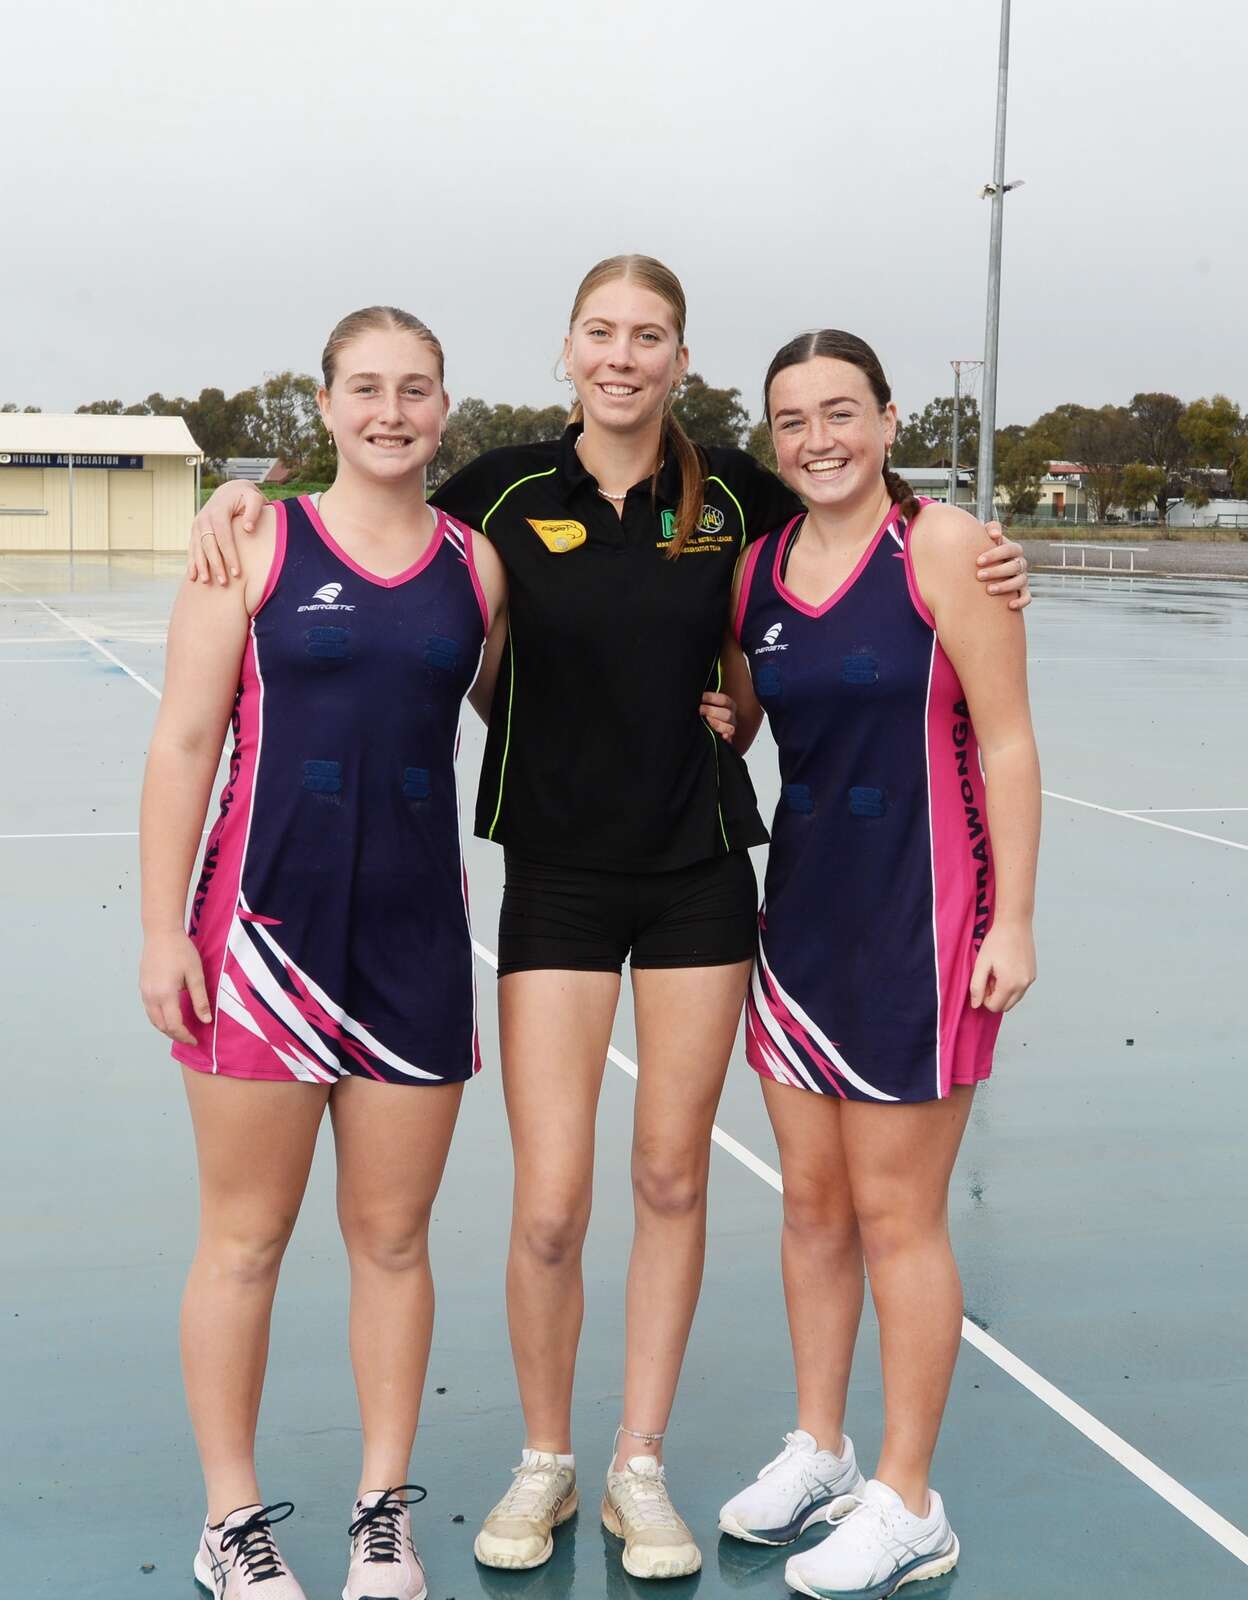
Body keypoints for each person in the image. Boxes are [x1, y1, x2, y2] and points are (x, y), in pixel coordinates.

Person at [188, 257, 1032, 1582]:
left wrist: (976, 539)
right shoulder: (501, 489)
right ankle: (545, 1458)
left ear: (680, 361)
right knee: (551, 1207)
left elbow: (849, 509)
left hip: (700, 871)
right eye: (603, 333)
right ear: (569, 352)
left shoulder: (737, 490)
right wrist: (241, 494)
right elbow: (380, 509)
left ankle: (638, 1458)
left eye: (652, 336)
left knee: (672, 1178)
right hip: (556, 877)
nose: (625, 356)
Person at [140, 306, 506, 1600]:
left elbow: (534, 714)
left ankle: (380, 1517)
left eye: (415, 389)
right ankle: (230, 1519)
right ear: (325, 402)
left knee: (394, 1240)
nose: (391, 411)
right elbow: (185, 745)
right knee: (245, 1238)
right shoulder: (252, 543)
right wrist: (158, 933)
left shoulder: (478, 566)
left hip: (414, 944)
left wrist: (716, 699)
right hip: (260, 937)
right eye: (366, 387)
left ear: (444, 409)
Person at [714, 329, 1040, 1600]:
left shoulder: (946, 548)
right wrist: (725, 716)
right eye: (792, 420)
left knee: (899, 1213)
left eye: (841, 412)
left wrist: (1013, 918)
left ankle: (911, 1499)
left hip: (925, 917)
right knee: (809, 1207)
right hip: (800, 922)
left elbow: (1006, 742)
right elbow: (749, 710)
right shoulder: (755, 571)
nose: (818, 439)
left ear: (892, 420)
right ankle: (825, 1450)